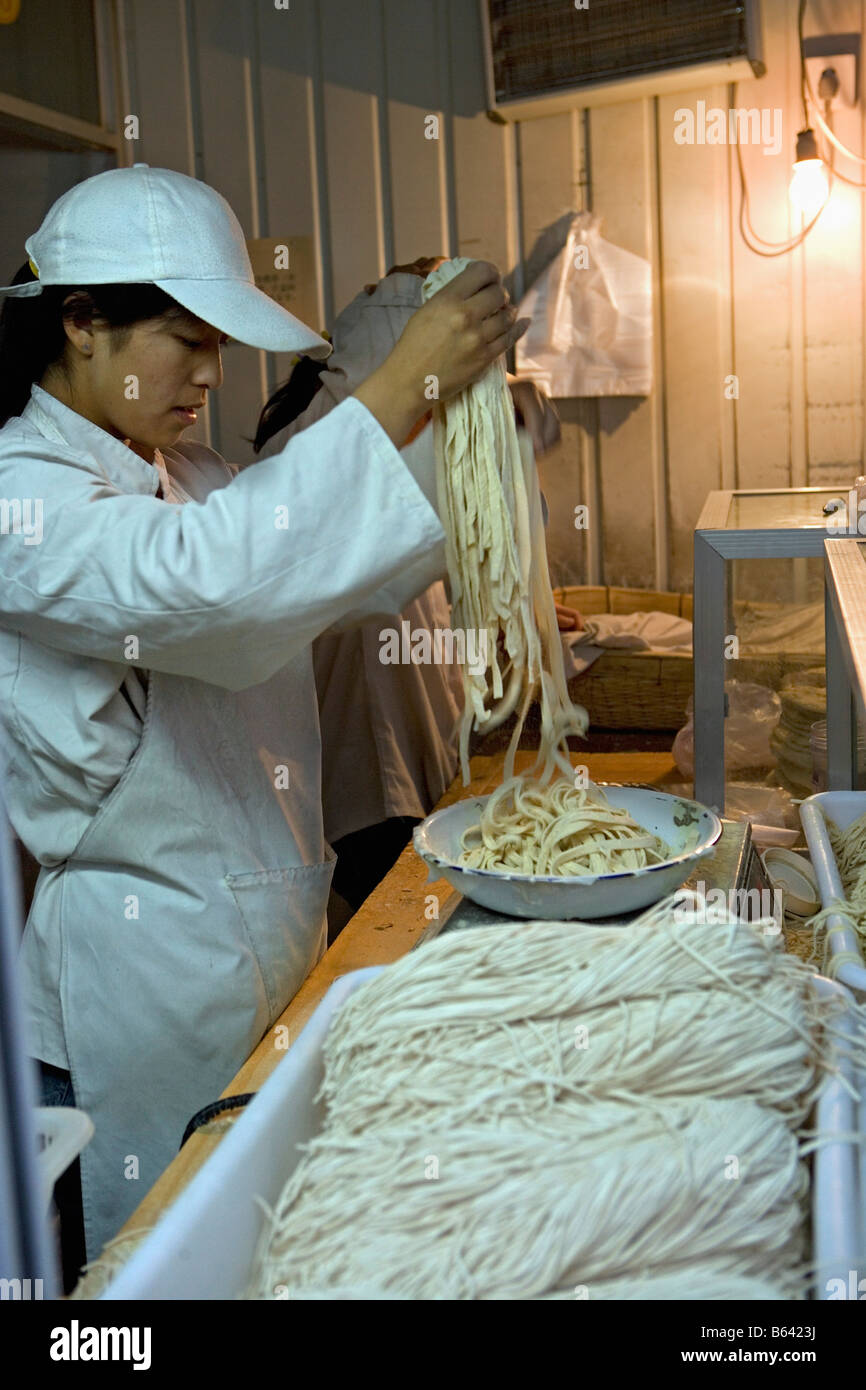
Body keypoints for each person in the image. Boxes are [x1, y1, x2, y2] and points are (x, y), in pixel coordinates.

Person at [0, 164, 528, 1271]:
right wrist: (399, 384)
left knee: (272, 1248)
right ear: (81, 321)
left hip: (265, 934)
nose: (209, 372)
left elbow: (328, 576)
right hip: (136, 993)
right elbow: (215, 588)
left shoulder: (186, 470)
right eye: (185, 339)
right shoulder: (19, 491)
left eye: (220, 345)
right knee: (161, 1264)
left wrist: (459, 408)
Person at [253, 258, 580, 934]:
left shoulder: (410, 421)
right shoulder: (320, 440)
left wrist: (506, 612)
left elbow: (453, 541)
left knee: (413, 873)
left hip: (414, 717)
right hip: (357, 738)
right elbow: (352, 572)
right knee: (386, 897)